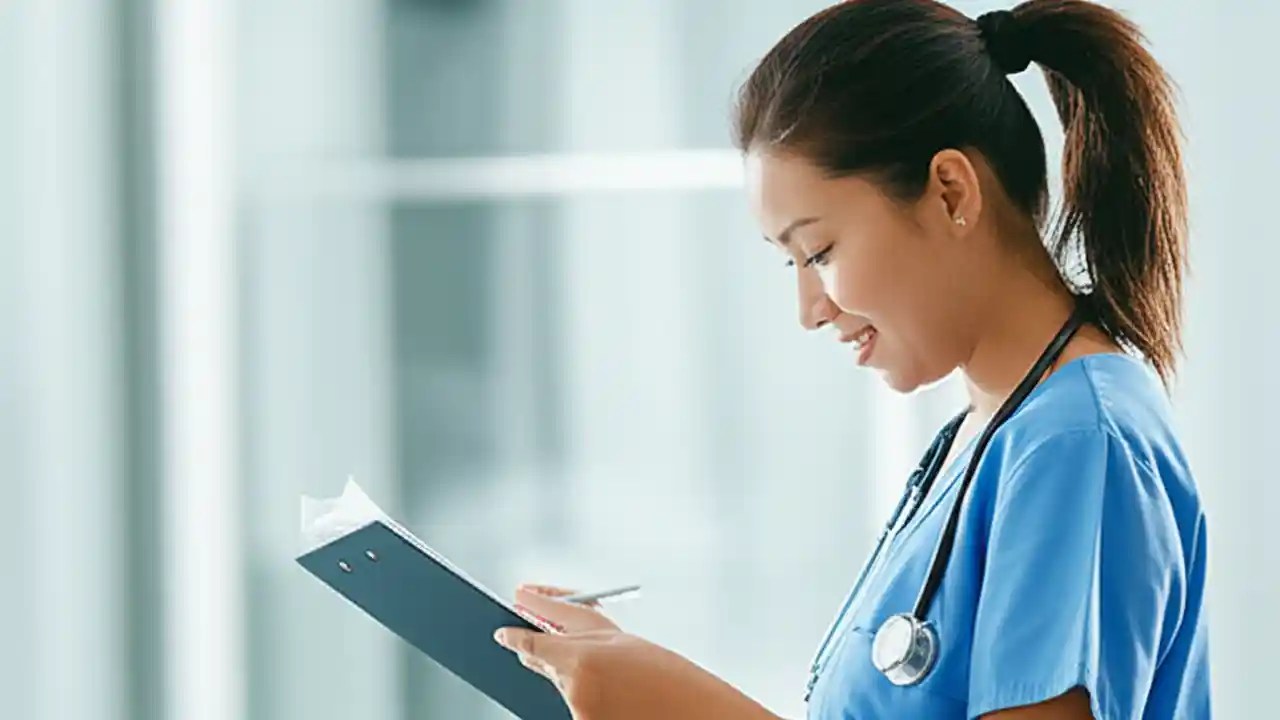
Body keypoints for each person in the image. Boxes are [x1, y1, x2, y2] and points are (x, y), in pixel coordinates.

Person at [493, 0, 1211, 717]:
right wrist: (635, 680)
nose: (810, 309)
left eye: (820, 252)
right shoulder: (983, 438)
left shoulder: (1076, 443)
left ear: (950, 193)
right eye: (793, 264)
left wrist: (681, 708)